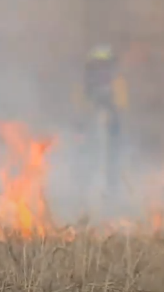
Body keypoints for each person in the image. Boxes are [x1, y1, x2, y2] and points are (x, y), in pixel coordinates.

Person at [73, 44, 130, 195]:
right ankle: (84, 194)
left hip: (112, 130)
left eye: (105, 66)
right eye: (97, 66)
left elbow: (121, 106)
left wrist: (110, 108)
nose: (101, 70)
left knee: (112, 164)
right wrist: (82, 127)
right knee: (85, 162)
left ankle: (110, 195)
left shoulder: (117, 83)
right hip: (88, 131)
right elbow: (79, 108)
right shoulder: (84, 85)